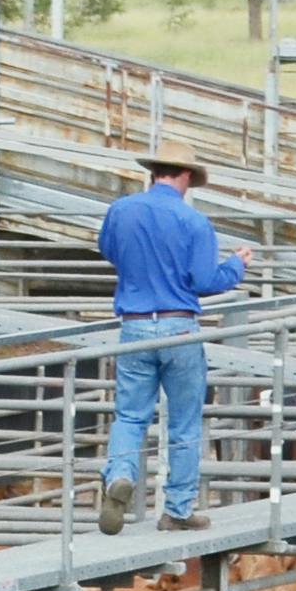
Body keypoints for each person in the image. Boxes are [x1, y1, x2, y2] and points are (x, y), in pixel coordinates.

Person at [88, 157, 245, 535]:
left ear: (154, 172)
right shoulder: (194, 221)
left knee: (129, 415)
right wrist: (236, 266)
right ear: (187, 175)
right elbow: (205, 280)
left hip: (136, 325)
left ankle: (120, 475)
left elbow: (109, 251)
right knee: (185, 422)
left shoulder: (121, 210)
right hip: (180, 327)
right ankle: (176, 508)